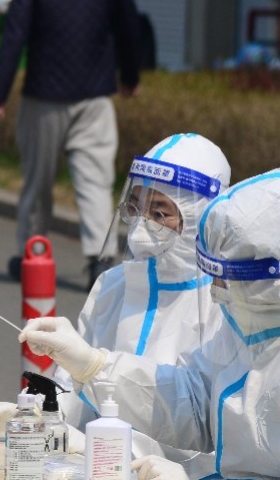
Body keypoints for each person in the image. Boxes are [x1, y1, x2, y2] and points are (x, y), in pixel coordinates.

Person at [20, 168, 280, 478]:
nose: (215, 290)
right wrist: (96, 367)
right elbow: (198, 400)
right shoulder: (266, 305)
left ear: (268, 274)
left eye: (221, 277)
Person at [54, 133, 230, 477]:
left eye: (159, 212)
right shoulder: (114, 284)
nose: (140, 223)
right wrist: (46, 423)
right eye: (134, 207)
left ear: (199, 218)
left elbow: (213, 424)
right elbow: (69, 390)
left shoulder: (220, 303)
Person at [0, 0, 142, 289]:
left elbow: (15, 34)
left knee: (37, 181)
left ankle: (32, 253)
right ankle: (99, 261)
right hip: (94, 96)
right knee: (96, 181)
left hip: (43, 97)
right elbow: (129, 25)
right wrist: (130, 75)